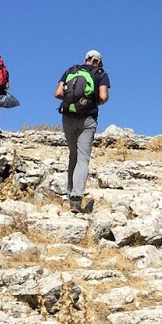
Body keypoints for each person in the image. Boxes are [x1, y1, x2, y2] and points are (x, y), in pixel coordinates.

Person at [55, 49, 109, 212]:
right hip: (88, 119)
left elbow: (58, 93)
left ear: (86, 59)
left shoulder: (70, 71)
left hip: (68, 117)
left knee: (73, 155)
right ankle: (76, 199)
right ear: (97, 61)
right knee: (83, 159)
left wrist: (72, 101)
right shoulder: (100, 74)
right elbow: (103, 96)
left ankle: (69, 194)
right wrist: (91, 102)